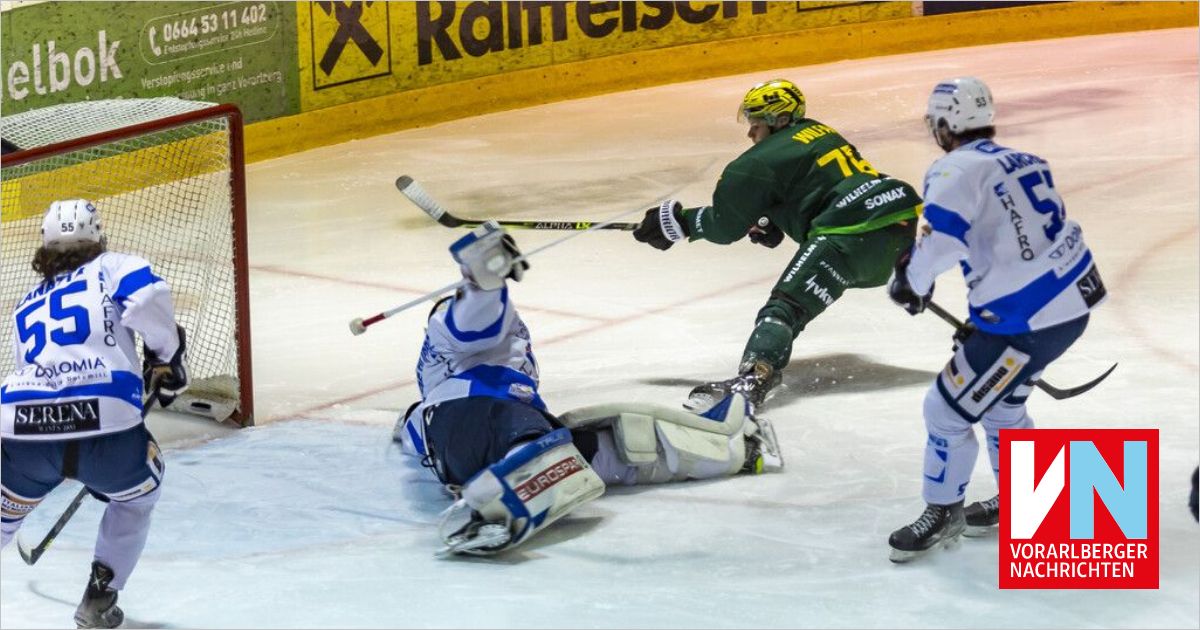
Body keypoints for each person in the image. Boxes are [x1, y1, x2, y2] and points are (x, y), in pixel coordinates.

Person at [393, 221, 782, 556]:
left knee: (617, 445)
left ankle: (736, 449)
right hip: (488, 419)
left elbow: (410, 430)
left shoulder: (427, 402)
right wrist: (483, 279)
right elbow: (473, 320)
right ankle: (519, 482)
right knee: (531, 434)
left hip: (460, 460)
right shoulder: (450, 328)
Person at [885, 77, 1107, 562]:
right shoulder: (1027, 160)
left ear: (946, 124)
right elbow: (1019, 245)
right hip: (1071, 307)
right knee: (1002, 408)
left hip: (1026, 322)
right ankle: (1023, 501)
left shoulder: (953, 169)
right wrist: (985, 322)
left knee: (945, 411)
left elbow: (944, 243)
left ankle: (943, 511)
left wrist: (911, 282)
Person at [631, 78, 922, 413]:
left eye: (756, 124)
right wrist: (773, 217)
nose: (750, 133)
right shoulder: (818, 131)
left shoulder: (754, 164)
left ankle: (754, 377)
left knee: (784, 309)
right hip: (902, 228)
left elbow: (725, 226)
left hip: (850, 235)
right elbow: (816, 186)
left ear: (779, 120)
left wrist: (680, 222)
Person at [0, 200, 189, 628]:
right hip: (106, 428)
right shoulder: (114, 266)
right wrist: (166, 358)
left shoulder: (26, 303)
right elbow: (148, 297)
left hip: (22, 430)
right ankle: (100, 596)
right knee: (139, 494)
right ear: (99, 237)